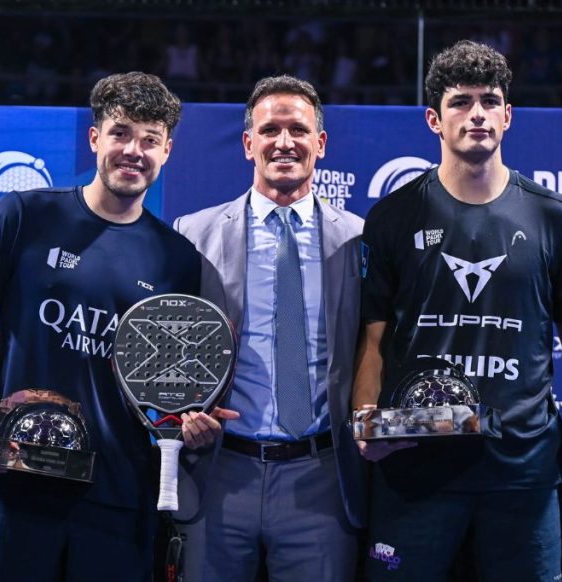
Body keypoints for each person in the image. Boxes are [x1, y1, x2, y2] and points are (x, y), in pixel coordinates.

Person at [352, 41, 562, 581]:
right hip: (416, 469)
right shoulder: (392, 217)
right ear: (434, 120)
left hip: (522, 470)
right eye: (461, 102)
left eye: (490, 101)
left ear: (508, 116)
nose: (478, 113)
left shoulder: (554, 217)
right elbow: (374, 340)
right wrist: (365, 421)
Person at [0, 72, 228, 582]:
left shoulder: (179, 259)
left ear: (168, 152)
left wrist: (190, 426)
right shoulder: (23, 215)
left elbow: (168, 387)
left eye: (150, 140)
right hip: (14, 483)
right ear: (95, 137)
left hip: (118, 499)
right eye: (121, 133)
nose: (133, 150)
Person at [172, 75, 366, 581]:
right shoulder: (193, 235)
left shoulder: (360, 239)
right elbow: (165, 346)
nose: (284, 142)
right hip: (218, 470)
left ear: (319, 144)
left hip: (321, 475)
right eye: (270, 129)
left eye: (298, 130)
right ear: (248, 143)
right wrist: (178, 413)